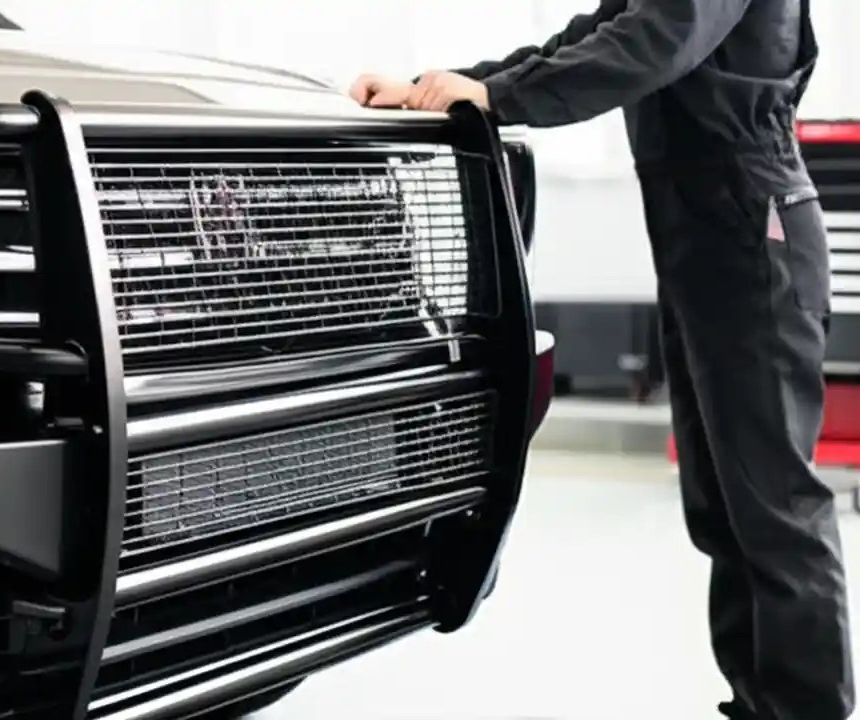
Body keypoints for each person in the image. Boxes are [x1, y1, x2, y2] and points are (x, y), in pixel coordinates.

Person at [349, 2, 854, 719]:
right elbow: (595, 35)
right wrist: (449, 86)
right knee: (725, 513)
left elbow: (658, 40)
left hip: (752, 231)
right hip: (708, 236)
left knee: (775, 512)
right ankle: (760, 704)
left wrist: (498, 97)